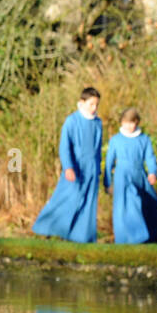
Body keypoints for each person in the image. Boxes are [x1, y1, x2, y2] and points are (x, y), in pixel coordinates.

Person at [33, 87, 103, 244]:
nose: (94, 108)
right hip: (75, 167)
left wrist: (98, 168)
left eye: (97, 105)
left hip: (92, 169)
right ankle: (47, 228)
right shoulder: (71, 121)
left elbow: (98, 147)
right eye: (91, 104)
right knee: (66, 198)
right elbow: (64, 146)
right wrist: (68, 167)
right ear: (82, 102)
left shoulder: (98, 123)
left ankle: (82, 238)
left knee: (88, 203)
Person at [104, 108, 157, 244]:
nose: (129, 126)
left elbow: (150, 157)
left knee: (148, 203)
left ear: (137, 122)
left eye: (132, 122)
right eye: (126, 123)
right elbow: (109, 161)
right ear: (121, 123)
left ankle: (154, 236)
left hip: (140, 175)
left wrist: (152, 172)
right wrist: (108, 182)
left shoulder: (144, 139)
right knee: (126, 206)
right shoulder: (116, 140)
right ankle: (129, 238)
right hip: (122, 176)